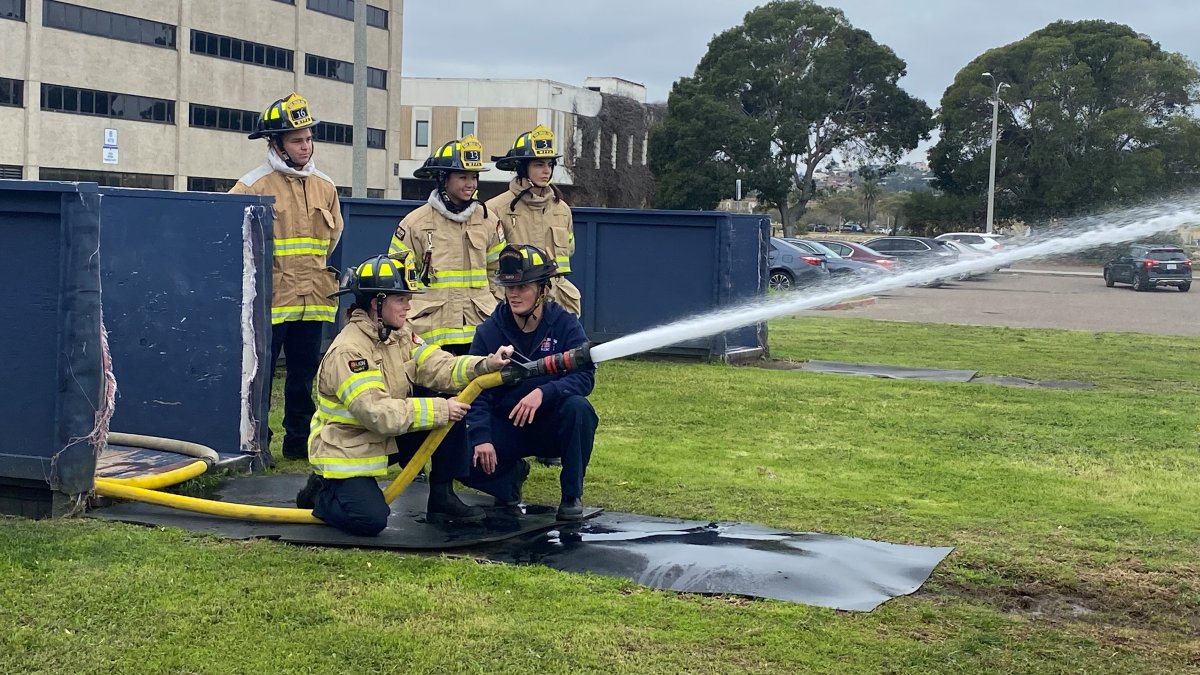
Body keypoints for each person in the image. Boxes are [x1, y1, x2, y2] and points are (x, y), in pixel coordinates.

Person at [296, 253, 514, 537]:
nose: (409, 307)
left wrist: (485, 364)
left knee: (453, 404)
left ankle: (442, 498)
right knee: (371, 519)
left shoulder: (397, 334)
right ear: (378, 303)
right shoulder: (350, 352)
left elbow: (438, 366)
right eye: (401, 299)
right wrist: (439, 410)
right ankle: (321, 492)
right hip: (348, 450)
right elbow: (379, 414)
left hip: (385, 439)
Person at [230, 92, 344, 462]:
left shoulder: (325, 187)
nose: (306, 146)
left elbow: (332, 237)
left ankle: (298, 444)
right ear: (276, 143)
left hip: (314, 302)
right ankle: (257, 444)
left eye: (309, 138)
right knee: (259, 380)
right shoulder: (252, 186)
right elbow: (231, 243)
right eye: (297, 140)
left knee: (303, 379)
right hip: (272, 302)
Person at [461, 245, 598, 520]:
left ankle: (571, 495)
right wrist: (482, 438)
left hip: (551, 425)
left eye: (522, 287)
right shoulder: (489, 332)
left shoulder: (565, 325)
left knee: (579, 409)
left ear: (543, 289)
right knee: (459, 455)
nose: (513, 294)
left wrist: (545, 392)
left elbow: (585, 377)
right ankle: (508, 479)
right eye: (508, 288)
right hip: (508, 424)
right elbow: (476, 391)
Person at [389, 135, 506, 354]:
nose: (470, 183)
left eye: (474, 177)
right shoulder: (414, 224)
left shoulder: (489, 221)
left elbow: (498, 273)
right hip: (430, 332)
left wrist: (495, 306)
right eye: (462, 177)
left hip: (479, 329)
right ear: (443, 178)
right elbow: (397, 280)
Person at [487, 125, 582, 316]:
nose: (546, 171)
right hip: (515, 306)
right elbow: (488, 268)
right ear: (522, 168)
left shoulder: (561, 209)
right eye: (539, 165)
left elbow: (569, 250)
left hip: (557, 304)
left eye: (549, 164)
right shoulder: (495, 209)